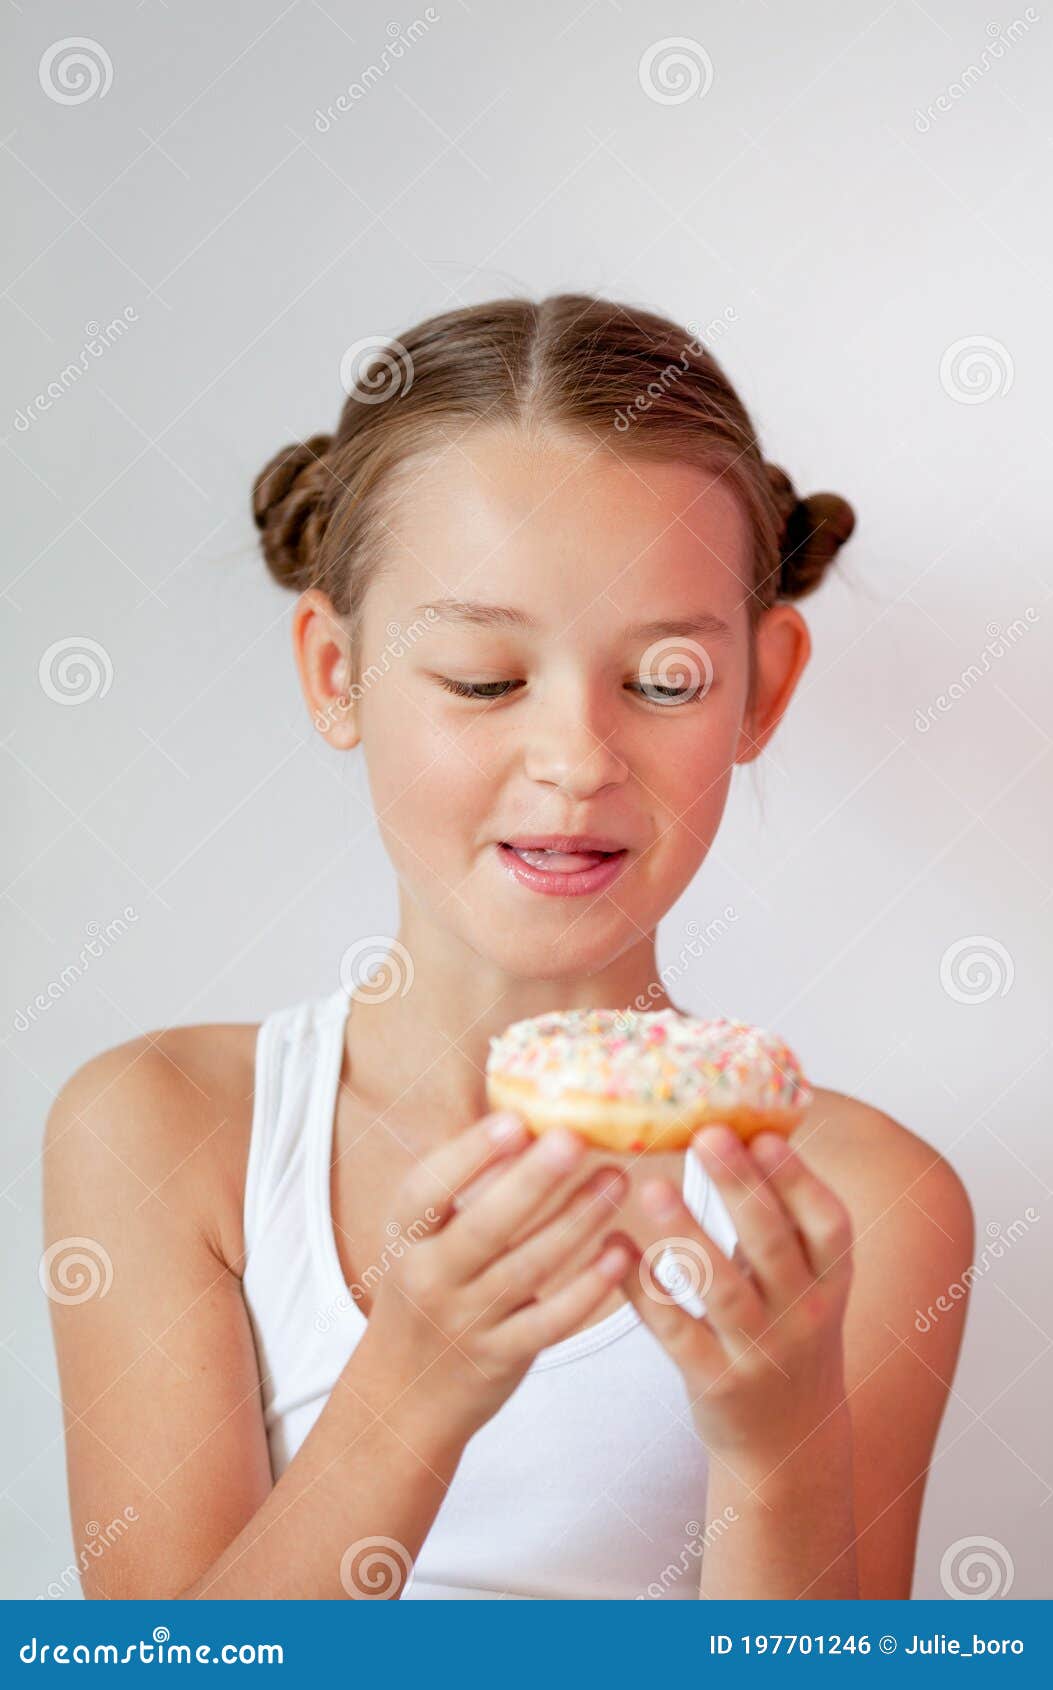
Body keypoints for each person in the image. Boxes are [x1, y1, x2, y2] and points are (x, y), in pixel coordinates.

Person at [44, 293, 974, 1601]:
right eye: (484, 677)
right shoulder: (165, 1133)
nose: (576, 759)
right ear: (336, 673)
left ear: (761, 688)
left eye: (663, 681)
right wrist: (409, 1393)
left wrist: (778, 1455)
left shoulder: (856, 1203)